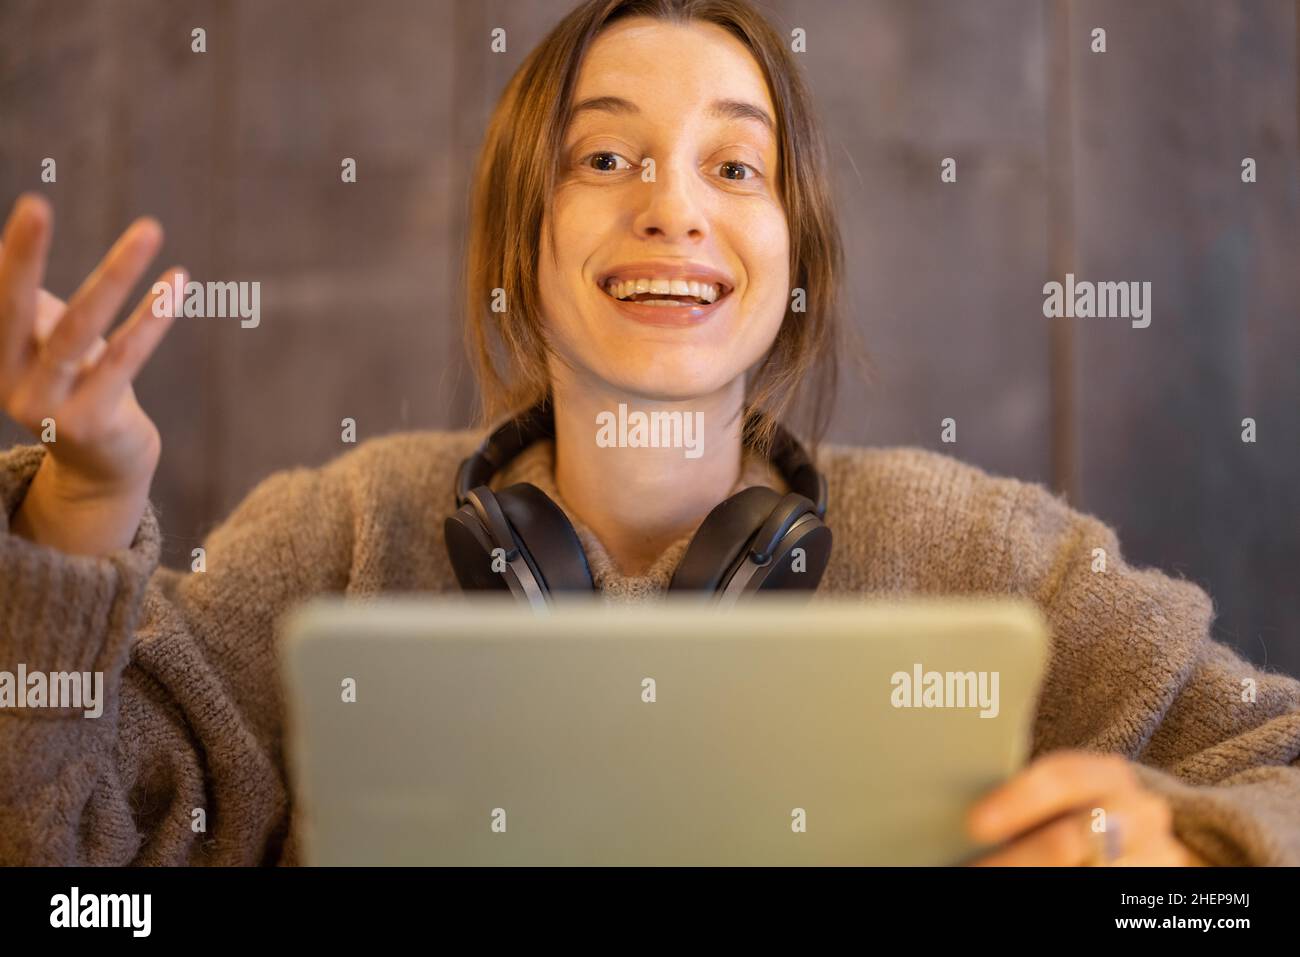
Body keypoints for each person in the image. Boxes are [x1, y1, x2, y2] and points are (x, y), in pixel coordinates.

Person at [1, 0, 1297, 867]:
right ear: (523, 237)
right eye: (606, 159)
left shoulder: (992, 555)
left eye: (735, 167)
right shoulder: (328, 540)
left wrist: (1176, 857)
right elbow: (67, 858)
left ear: (795, 261)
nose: (673, 206)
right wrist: (82, 500)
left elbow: (1278, 773)